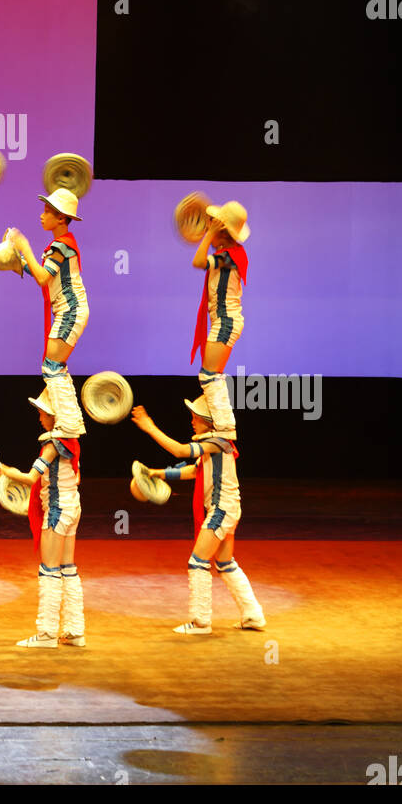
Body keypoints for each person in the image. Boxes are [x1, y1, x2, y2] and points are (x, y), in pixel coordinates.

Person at [131, 398, 265, 635]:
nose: (192, 421)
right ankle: (252, 614)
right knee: (224, 564)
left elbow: (180, 451)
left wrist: (149, 426)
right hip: (228, 507)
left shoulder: (217, 442)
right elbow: (194, 470)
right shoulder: (214, 444)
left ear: (209, 422)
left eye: (196, 417)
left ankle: (200, 622)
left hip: (221, 508)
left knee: (197, 561)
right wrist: (158, 473)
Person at [0, 396, 85, 648]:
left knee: (49, 569)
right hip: (73, 508)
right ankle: (75, 630)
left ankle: (47, 634)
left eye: (42, 413)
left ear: (54, 417)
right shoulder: (72, 444)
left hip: (58, 511)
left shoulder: (53, 446)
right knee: (67, 567)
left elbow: (29, 478)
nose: (39, 417)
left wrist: (6, 472)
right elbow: (76, 479)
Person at [6, 187, 89, 436]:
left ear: (61, 218)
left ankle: (69, 424)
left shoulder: (61, 246)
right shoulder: (60, 245)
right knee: (54, 367)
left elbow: (43, 277)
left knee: (52, 367)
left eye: (47, 212)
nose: (42, 216)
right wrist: (14, 259)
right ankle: (69, 421)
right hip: (68, 312)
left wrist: (24, 245)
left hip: (71, 311)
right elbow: (42, 273)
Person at [190, 200, 250, 435]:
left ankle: (224, 427)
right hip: (224, 321)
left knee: (209, 376)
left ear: (222, 232)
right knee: (212, 376)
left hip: (226, 321)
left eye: (213, 229)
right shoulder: (229, 254)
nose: (208, 231)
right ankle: (222, 425)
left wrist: (209, 235)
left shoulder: (229, 256)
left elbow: (198, 262)